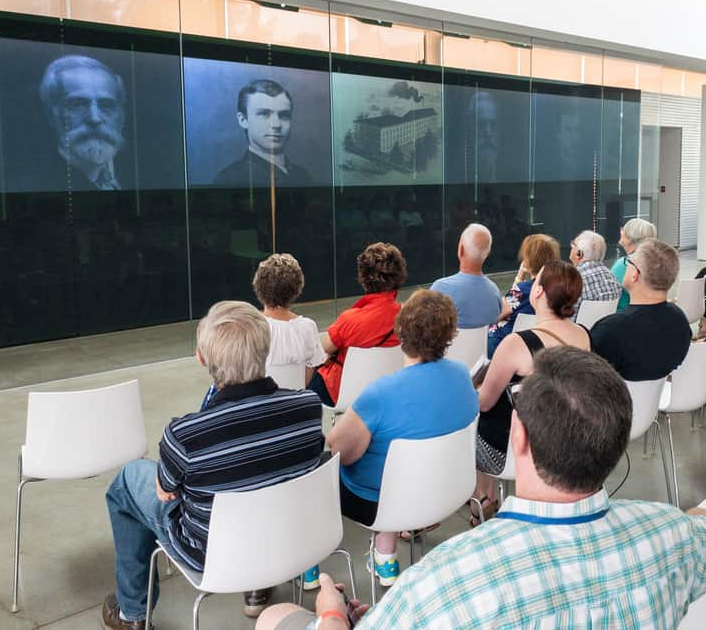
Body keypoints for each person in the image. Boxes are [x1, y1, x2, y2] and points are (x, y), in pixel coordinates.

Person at [258, 347, 706, 630]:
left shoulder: (444, 583)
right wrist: (695, 516)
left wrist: (333, 614)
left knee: (277, 616)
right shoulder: (672, 535)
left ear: (520, 436)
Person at [100, 301, 324, 630]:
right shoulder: (309, 407)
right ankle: (255, 586)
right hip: (289, 539)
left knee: (127, 482)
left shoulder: (184, 436)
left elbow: (164, 491)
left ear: (201, 358)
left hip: (213, 556)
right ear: (266, 348)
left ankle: (132, 614)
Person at [325, 290, 478, 587]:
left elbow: (338, 448)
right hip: (447, 489)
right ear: (449, 334)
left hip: (382, 502)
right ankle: (385, 555)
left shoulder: (380, 394)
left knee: (340, 469)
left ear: (400, 332)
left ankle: (312, 565)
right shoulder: (462, 376)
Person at [474, 260, 589, 522]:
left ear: (537, 292)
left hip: (514, 451)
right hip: (564, 444)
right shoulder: (584, 335)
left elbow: (484, 403)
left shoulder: (516, 343)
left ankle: (483, 498)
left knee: (472, 423)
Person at [310, 243, 406, 406]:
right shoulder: (409, 317)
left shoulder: (351, 319)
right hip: (390, 393)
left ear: (364, 278)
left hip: (342, 393)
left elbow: (318, 350)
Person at [593, 239, 691, 381]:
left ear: (635, 275)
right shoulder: (680, 320)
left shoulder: (609, 330)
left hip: (619, 401)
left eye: (629, 263)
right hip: (662, 399)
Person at [39, 55, 126, 191]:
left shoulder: (147, 172)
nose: (94, 118)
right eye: (77, 105)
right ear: (51, 116)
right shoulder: (38, 184)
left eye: (106, 105)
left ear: (121, 116)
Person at [214, 80, 312, 187]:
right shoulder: (229, 179)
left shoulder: (302, 175)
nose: (276, 124)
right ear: (243, 120)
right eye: (264, 114)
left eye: (284, 115)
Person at [253, 254, 327, 386]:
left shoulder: (250, 328)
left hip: (260, 403)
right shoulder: (307, 327)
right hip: (296, 403)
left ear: (258, 287)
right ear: (297, 288)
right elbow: (304, 382)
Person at [487, 234, 560, 357]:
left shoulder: (522, 290)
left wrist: (519, 278)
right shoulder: (557, 288)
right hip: (539, 346)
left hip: (506, 347)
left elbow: (495, 314)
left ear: (528, 260)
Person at [430, 223, 502, 329]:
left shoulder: (440, 288)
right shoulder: (495, 292)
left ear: (461, 250)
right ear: (488, 253)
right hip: (484, 345)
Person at [569, 229, 621, 315]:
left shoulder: (572, 280)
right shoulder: (614, 279)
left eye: (573, 246)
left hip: (574, 327)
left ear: (579, 253)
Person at [610, 218, 657, 310]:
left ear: (630, 238)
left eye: (624, 229)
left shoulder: (623, 264)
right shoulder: (655, 263)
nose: (621, 230)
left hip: (623, 316)